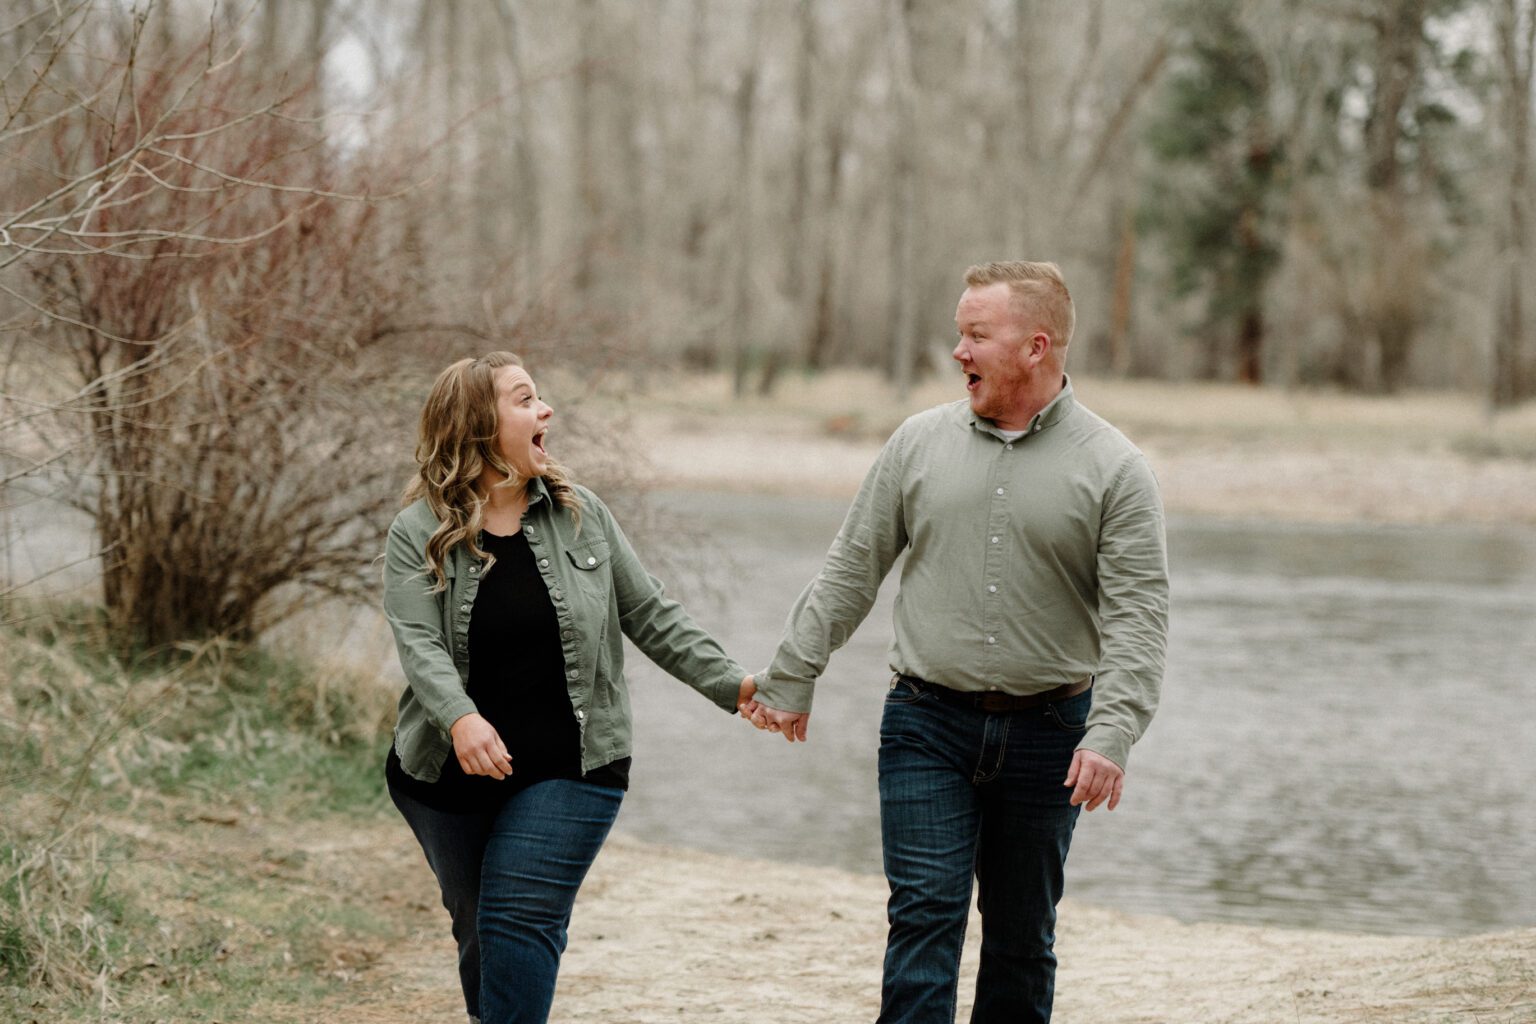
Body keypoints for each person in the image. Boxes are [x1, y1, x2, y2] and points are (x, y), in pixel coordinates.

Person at [741, 261, 1169, 1023]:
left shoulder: (1116, 469)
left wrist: (1113, 732)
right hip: (925, 725)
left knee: (1020, 940)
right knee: (924, 919)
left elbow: (1139, 616)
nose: (957, 351)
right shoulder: (916, 444)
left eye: (976, 335)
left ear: (1037, 347)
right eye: (958, 333)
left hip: (1052, 735)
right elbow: (851, 567)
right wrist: (792, 673)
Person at [381, 352, 753, 1024]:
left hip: (574, 764)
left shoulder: (583, 517)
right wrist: (460, 719)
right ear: (476, 426)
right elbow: (420, 643)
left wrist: (737, 686)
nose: (546, 411)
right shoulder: (418, 532)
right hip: (445, 776)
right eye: (525, 400)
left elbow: (652, 615)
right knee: (482, 928)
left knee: (518, 914)